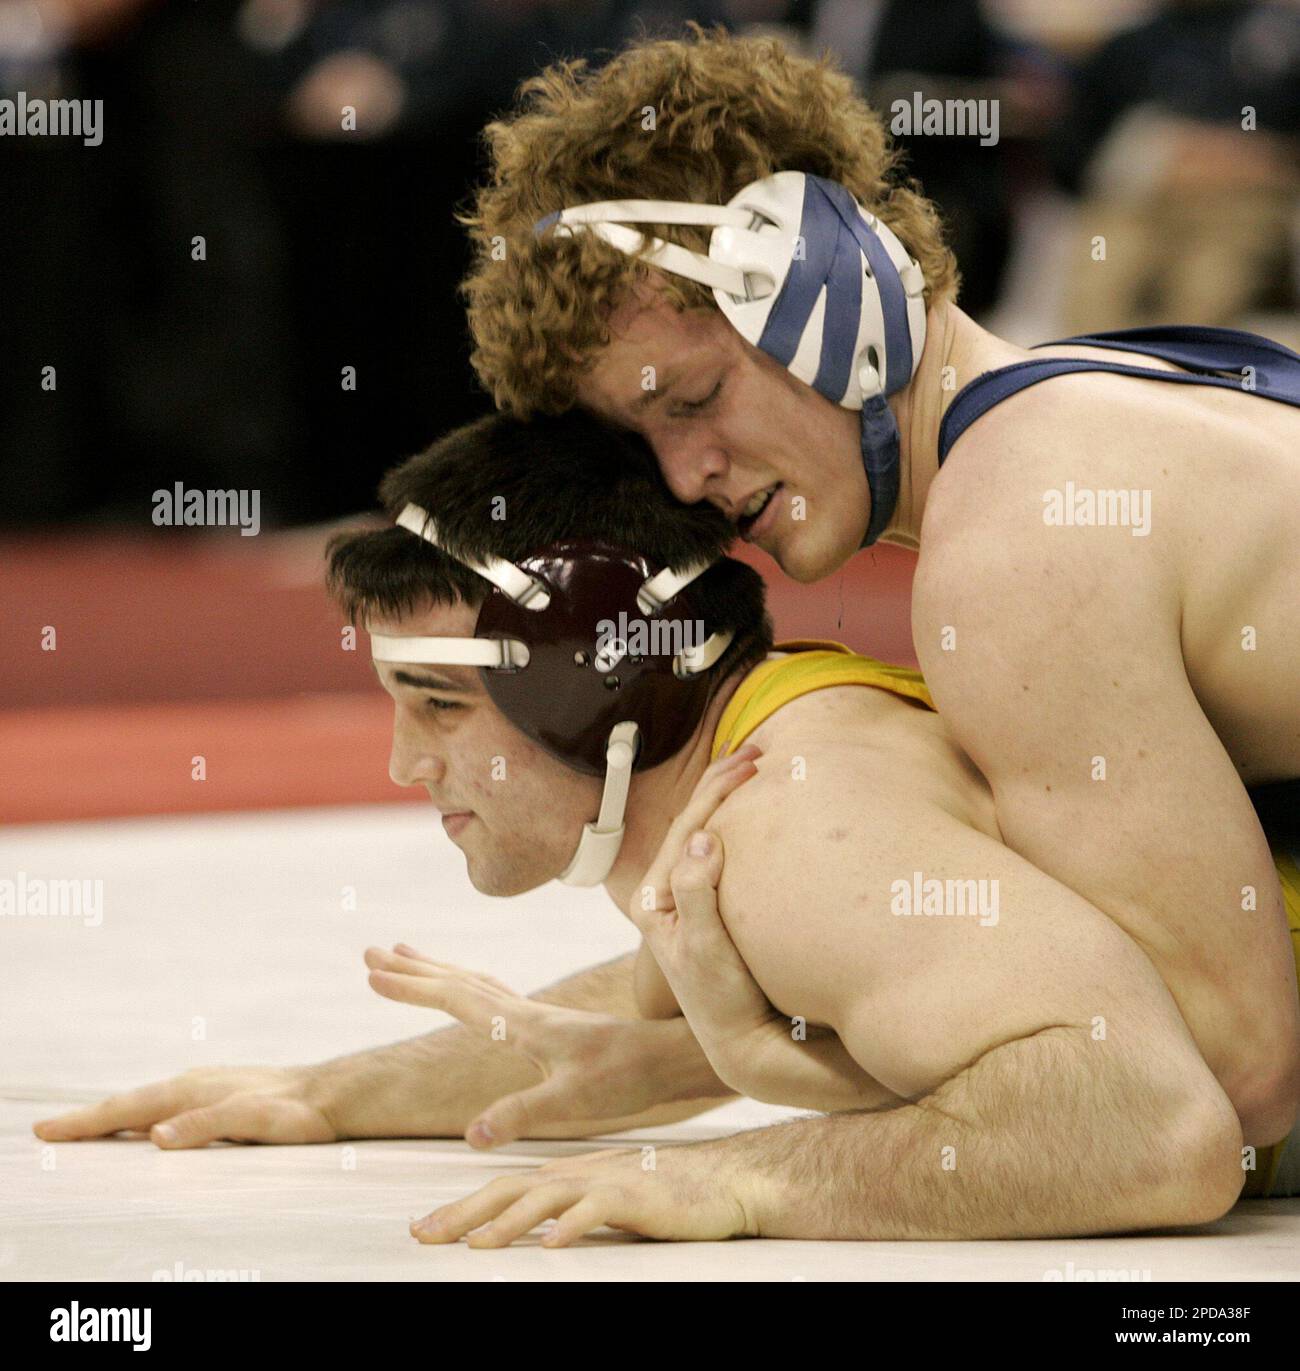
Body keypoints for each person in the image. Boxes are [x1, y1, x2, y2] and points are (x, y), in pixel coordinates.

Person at [36, 410, 1300, 1245]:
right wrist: (329, 1097)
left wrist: (742, 1176)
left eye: (436, 705)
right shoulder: (769, 763)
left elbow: (1155, 1132)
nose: (403, 765)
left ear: (586, 676)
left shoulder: (799, 833)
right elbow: (654, 1017)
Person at [458, 24, 1300, 1148]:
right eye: (642, 439)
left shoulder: (1021, 547)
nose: (684, 478)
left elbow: (1233, 1075)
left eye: (693, 399)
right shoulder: (1116, 391)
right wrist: (337, 1093)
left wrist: (751, 1063)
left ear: (827, 285)